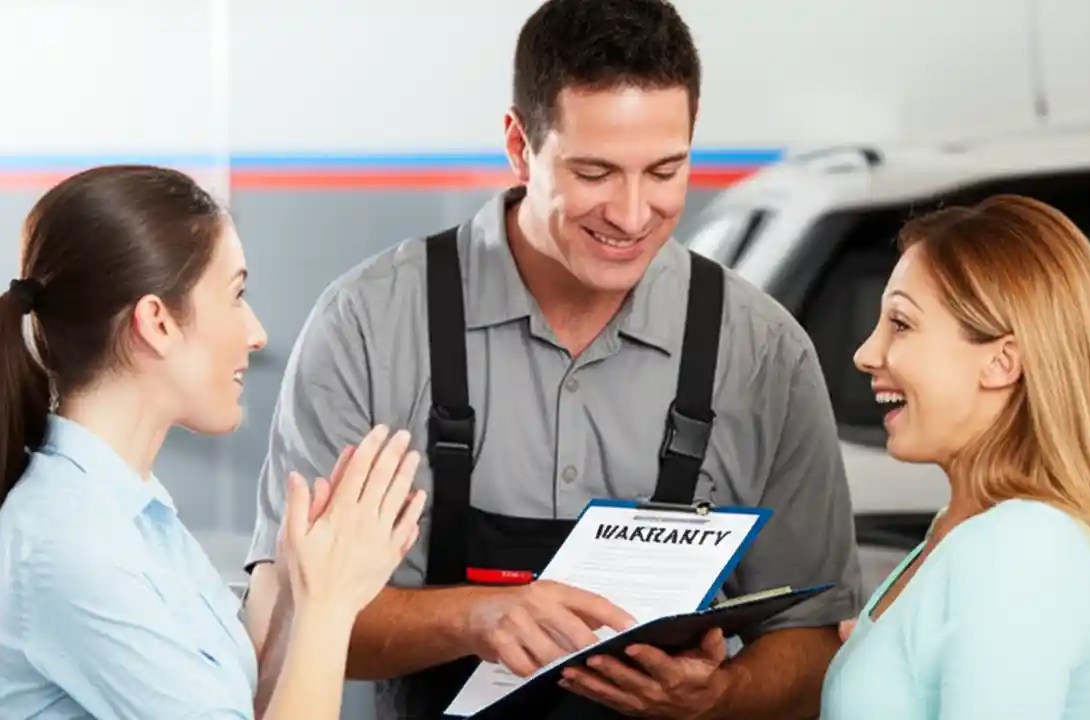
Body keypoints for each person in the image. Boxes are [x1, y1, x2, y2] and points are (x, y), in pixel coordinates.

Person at [242, 1, 863, 718]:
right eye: (595, 172)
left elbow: (814, 645)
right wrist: (474, 618)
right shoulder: (369, 327)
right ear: (519, 144)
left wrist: (722, 696)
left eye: (665, 171)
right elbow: (282, 620)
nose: (632, 214)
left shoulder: (764, 354)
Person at [0, 165, 427, 720]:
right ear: (157, 322)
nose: (256, 333)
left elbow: (242, 708)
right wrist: (329, 605)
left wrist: (297, 588)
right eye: (236, 294)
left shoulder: (135, 514)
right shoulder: (68, 543)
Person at [820, 195, 1090, 719]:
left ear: (1002, 361)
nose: (866, 354)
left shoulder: (1020, 546)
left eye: (901, 323)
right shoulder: (969, 533)